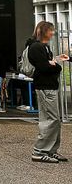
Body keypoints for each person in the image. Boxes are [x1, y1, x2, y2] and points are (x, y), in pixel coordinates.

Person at [27, 21, 68, 163]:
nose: (53, 33)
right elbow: (44, 67)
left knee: (54, 120)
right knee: (50, 120)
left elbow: (47, 64)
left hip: (49, 87)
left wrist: (55, 61)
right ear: (44, 31)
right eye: (51, 30)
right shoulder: (36, 47)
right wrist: (55, 66)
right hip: (45, 88)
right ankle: (40, 151)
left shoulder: (43, 47)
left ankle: (51, 150)